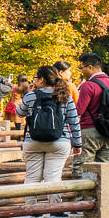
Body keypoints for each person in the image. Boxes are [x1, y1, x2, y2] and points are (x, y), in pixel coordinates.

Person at [18, 64, 81, 199]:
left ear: (41, 79)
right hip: (60, 141)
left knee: (32, 177)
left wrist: (29, 94)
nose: (34, 80)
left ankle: (31, 209)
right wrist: (77, 143)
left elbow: (19, 112)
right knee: (53, 177)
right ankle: (55, 208)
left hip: (32, 141)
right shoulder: (64, 95)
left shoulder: (31, 96)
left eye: (35, 78)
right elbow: (74, 121)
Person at [74, 53, 109, 166]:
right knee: (106, 167)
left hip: (89, 131)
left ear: (90, 67)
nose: (81, 71)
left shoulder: (88, 85)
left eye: (82, 68)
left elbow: (78, 112)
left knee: (83, 166)